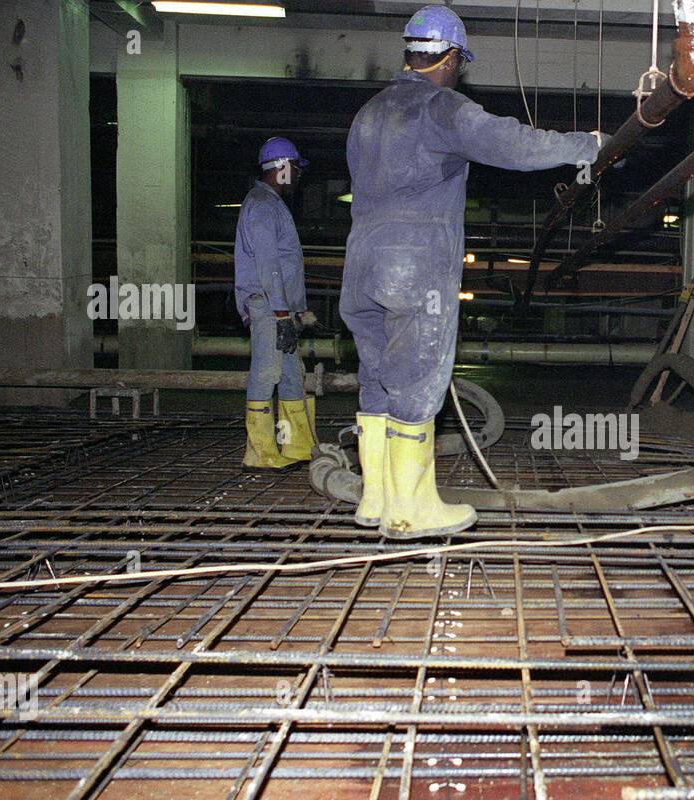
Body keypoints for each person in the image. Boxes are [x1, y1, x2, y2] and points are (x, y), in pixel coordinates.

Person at [341, 5, 599, 539]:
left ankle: (375, 498)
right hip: (414, 270)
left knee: (377, 380)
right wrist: (586, 146)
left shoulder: (367, 113)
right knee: (416, 381)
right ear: (452, 56)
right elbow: (512, 144)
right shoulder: (440, 108)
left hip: (360, 268)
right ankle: (412, 511)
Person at [234, 136, 318, 470]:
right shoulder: (263, 205)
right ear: (282, 167)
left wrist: (295, 312)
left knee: (291, 375)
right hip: (269, 307)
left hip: (282, 309)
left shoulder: (271, 204)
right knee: (266, 373)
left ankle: (297, 446)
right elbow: (268, 265)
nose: (297, 175)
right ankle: (260, 453)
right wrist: (282, 315)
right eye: (295, 168)